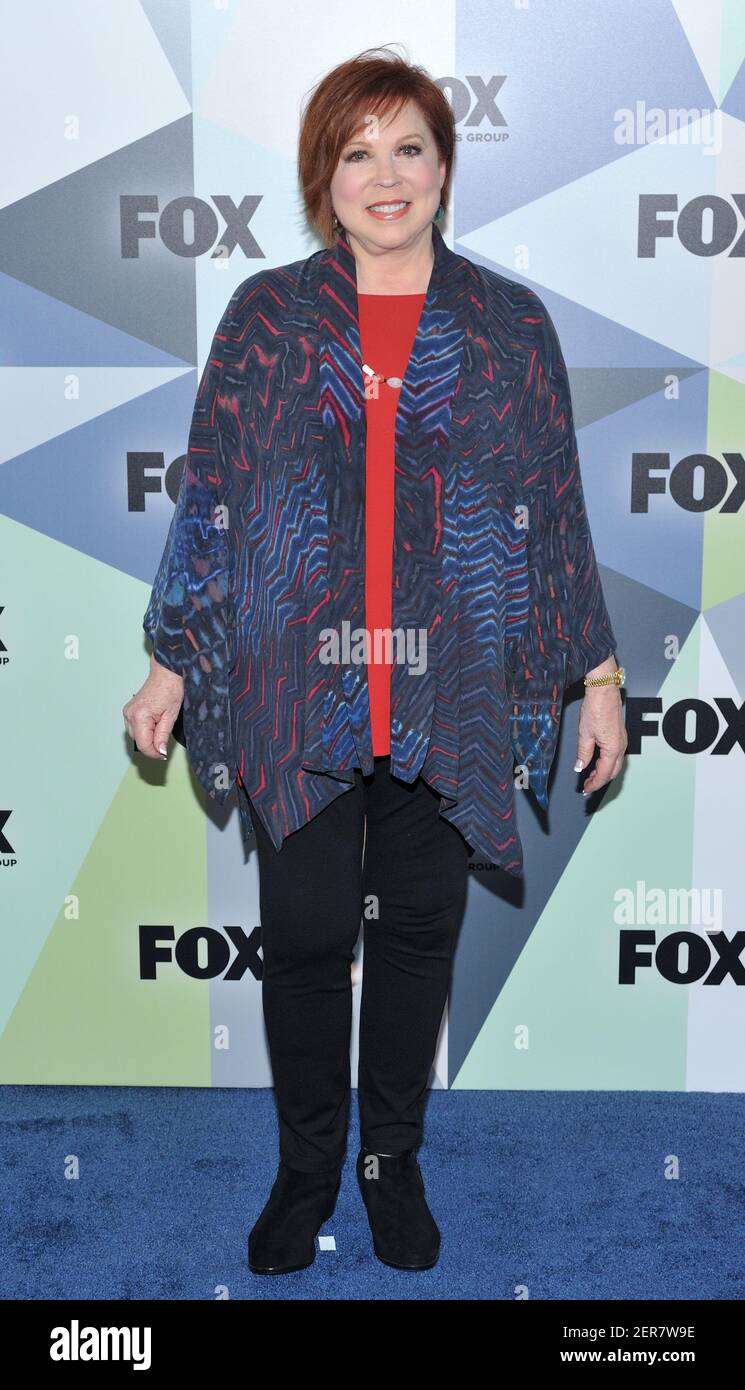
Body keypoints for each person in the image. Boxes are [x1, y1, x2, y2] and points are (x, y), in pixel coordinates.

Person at [122, 46, 627, 1276]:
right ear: (323, 181)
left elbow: (552, 509)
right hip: (302, 682)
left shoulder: (508, 327)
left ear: (444, 170)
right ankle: (304, 1169)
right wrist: (173, 661)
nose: (384, 176)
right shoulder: (266, 318)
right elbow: (217, 500)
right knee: (300, 940)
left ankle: (388, 1162)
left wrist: (597, 678)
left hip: (452, 686)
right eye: (357, 153)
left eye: (408, 148)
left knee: (413, 937)